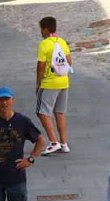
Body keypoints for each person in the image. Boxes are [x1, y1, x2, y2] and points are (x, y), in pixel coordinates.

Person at [35, 16, 71, 156]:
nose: (40, 32)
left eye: (41, 28)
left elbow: (40, 65)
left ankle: (53, 142)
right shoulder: (61, 42)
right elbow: (69, 61)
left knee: (42, 112)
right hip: (64, 82)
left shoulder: (44, 44)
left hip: (49, 83)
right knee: (59, 112)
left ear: (45, 29)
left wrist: (38, 82)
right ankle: (64, 143)